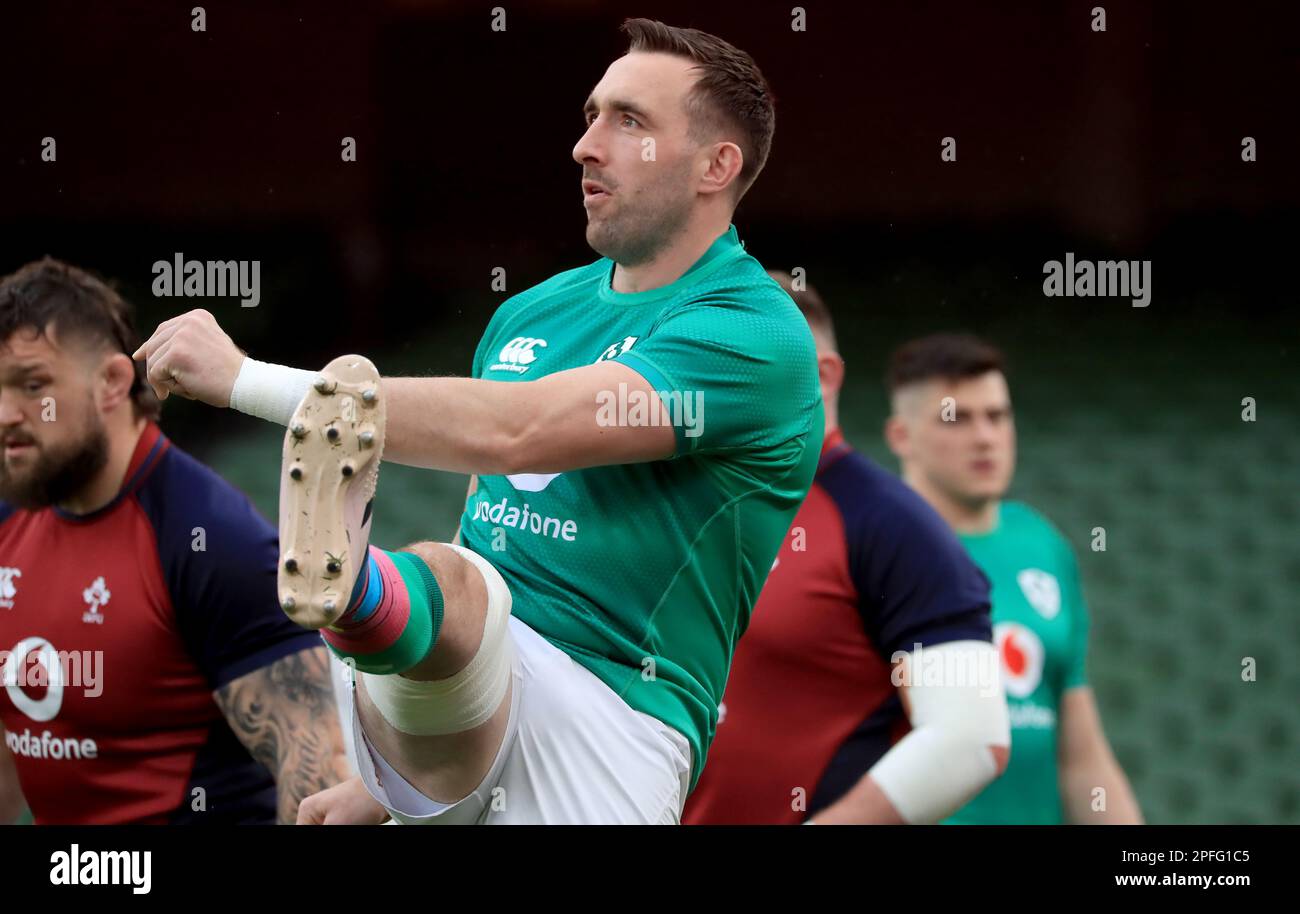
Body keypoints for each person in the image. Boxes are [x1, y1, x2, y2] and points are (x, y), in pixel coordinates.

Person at [134, 19, 823, 824]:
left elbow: (518, 431)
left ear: (718, 165)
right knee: (454, 576)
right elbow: (488, 512)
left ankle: (369, 599)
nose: (585, 145)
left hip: (616, 715)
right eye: (591, 113)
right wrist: (396, 770)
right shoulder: (532, 312)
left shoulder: (756, 332)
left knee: (458, 583)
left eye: (628, 121)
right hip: (464, 684)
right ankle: (358, 602)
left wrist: (247, 380)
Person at [0, 258, 348, 824]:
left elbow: (315, 775)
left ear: (112, 382)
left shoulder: (211, 538)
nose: (5, 414)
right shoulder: (8, 517)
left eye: (33, 386)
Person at [684, 273, 1009, 825]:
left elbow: (970, 738)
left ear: (823, 375)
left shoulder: (890, 523)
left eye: (747, 364)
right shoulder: (684, 507)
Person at [885, 333, 1142, 823]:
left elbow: (1081, 757)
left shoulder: (1042, 544)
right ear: (901, 436)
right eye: (956, 419)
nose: (984, 436)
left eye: (997, 416)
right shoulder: (870, 551)